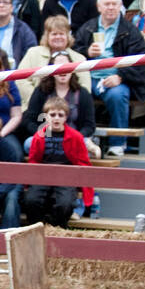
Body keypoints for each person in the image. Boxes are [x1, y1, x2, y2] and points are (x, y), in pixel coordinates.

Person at [73, 0, 145, 156]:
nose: (111, 7)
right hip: (88, 77)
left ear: (121, 6)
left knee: (117, 95)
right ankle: (83, 139)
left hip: (116, 79)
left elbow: (140, 61)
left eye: (115, 4)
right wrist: (87, 52)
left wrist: (120, 76)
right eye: (107, 4)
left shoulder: (130, 31)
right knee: (77, 92)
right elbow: (73, 52)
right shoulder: (88, 28)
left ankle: (118, 144)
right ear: (99, 7)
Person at [22, 96, 93, 228]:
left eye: (60, 115)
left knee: (65, 204)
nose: (56, 118)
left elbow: (83, 162)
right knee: (31, 200)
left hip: (66, 177)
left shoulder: (75, 137)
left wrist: (81, 182)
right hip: (42, 176)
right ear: (46, 116)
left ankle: (56, 229)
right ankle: (37, 228)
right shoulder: (39, 136)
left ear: (66, 117)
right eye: (52, 114)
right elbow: (34, 160)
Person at [19, 50, 96, 150]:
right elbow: (29, 121)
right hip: (47, 139)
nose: (62, 70)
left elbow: (89, 125)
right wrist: (43, 134)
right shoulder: (40, 91)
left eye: (66, 66)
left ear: (72, 70)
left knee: (87, 144)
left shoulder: (82, 93)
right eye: (58, 66)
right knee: (29, 144)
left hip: (73, 140)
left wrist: (76, 137)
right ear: (51, 70)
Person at [14, 14, 85, 103]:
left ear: (68, 36)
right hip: (36, 106)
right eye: (54, 34)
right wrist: (39, 100)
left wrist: (62, 104)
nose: (58, 37)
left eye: (61, 34)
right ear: (47, 36)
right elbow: (21, 80)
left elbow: (85, 87)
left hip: (71, 107)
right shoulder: (33, 53)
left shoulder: (79, 59)